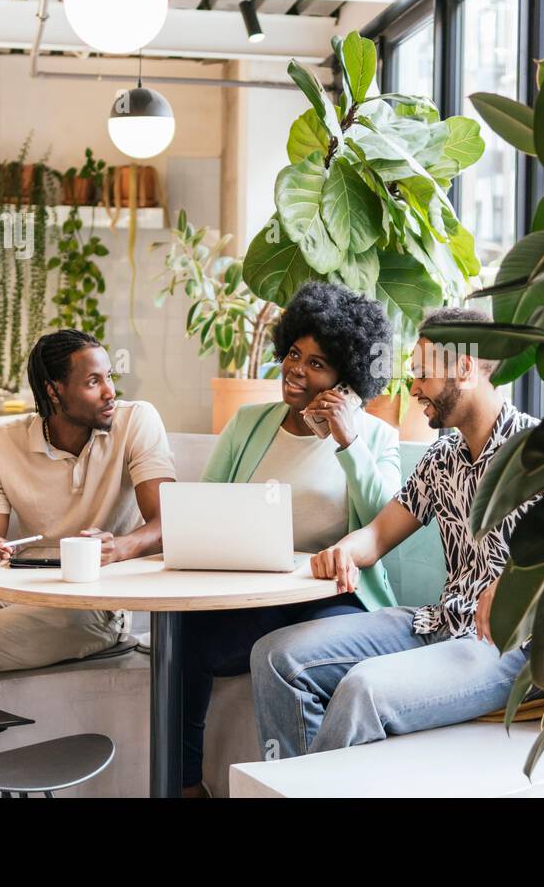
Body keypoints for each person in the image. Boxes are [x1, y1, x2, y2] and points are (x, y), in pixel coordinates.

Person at [250, 307, 544, 760]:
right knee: (276, 656)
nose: (413, 390)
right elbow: (377, 535)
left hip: (513, 647)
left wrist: (521, 578)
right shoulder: (442, 457)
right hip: (440, 621)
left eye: (423, 376)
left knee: (363, 689)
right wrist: (341, 552)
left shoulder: (541, 450)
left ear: (464, 369)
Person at [0, 329, 176, 797]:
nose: (110, 391)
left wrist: (121, 547)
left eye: (110, 377)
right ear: (54, 391)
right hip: (16, 592)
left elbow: (168, 521)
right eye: (94, 381)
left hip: (91, 609)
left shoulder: (137, 421)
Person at [180, 281, 400, 797]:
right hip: (253, 598)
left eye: (318, 363)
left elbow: (388, 521)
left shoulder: (375, 438)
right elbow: (205, 506)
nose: (297, 369)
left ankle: (306, 787)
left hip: (334, 601)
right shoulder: (248, 423)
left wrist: (348, 441)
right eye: (294, 354)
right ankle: (186, 784)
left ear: (346, 379)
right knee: (184, 642)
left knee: (292, 654)